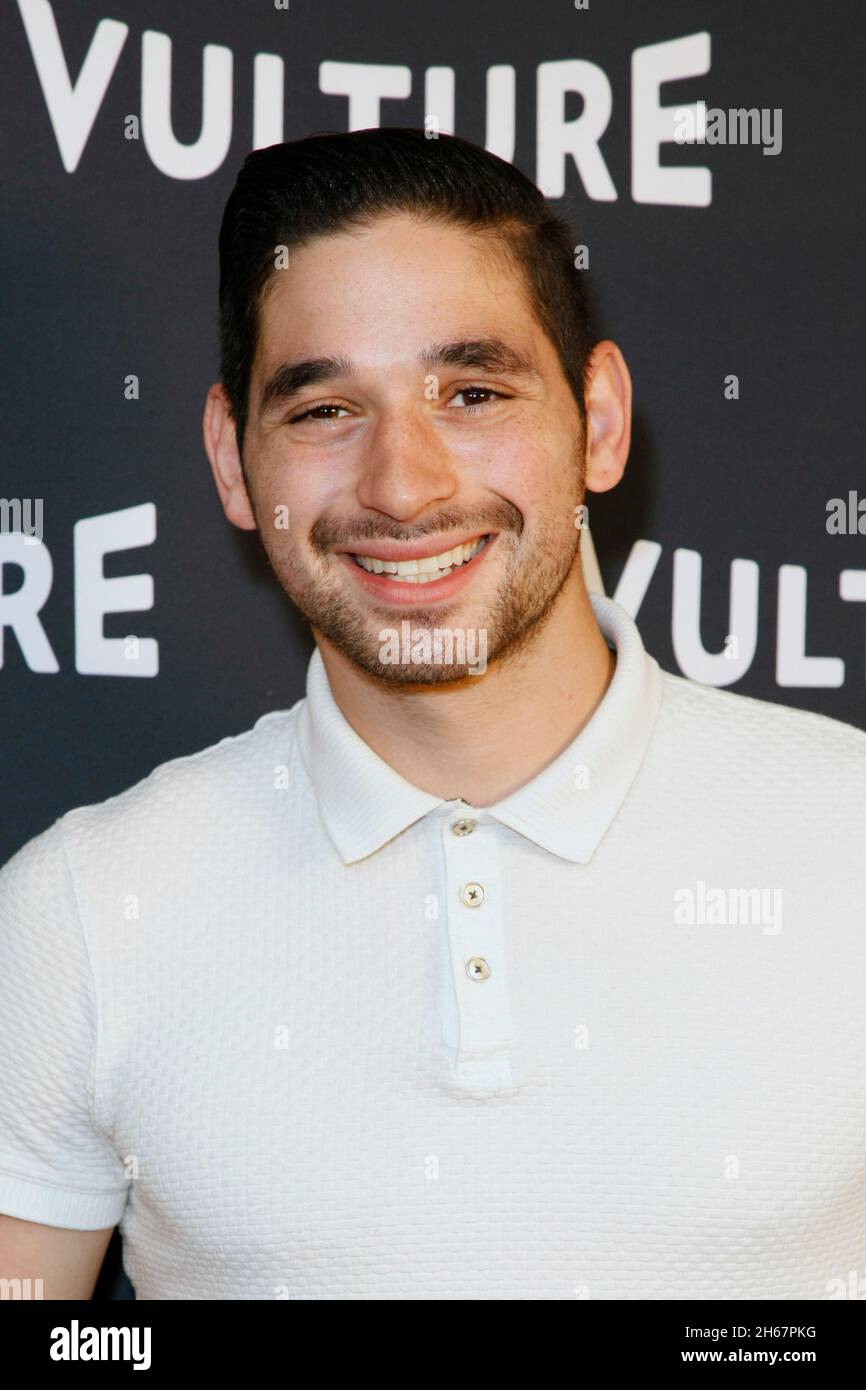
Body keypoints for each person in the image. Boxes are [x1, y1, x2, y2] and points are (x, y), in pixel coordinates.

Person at [1, 128, 864, 1301]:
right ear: (230, 458)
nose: (401, 485)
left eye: (470, 392)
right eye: (321, 411)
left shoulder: (844, 830)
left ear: (597, 420)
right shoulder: (78, 915)